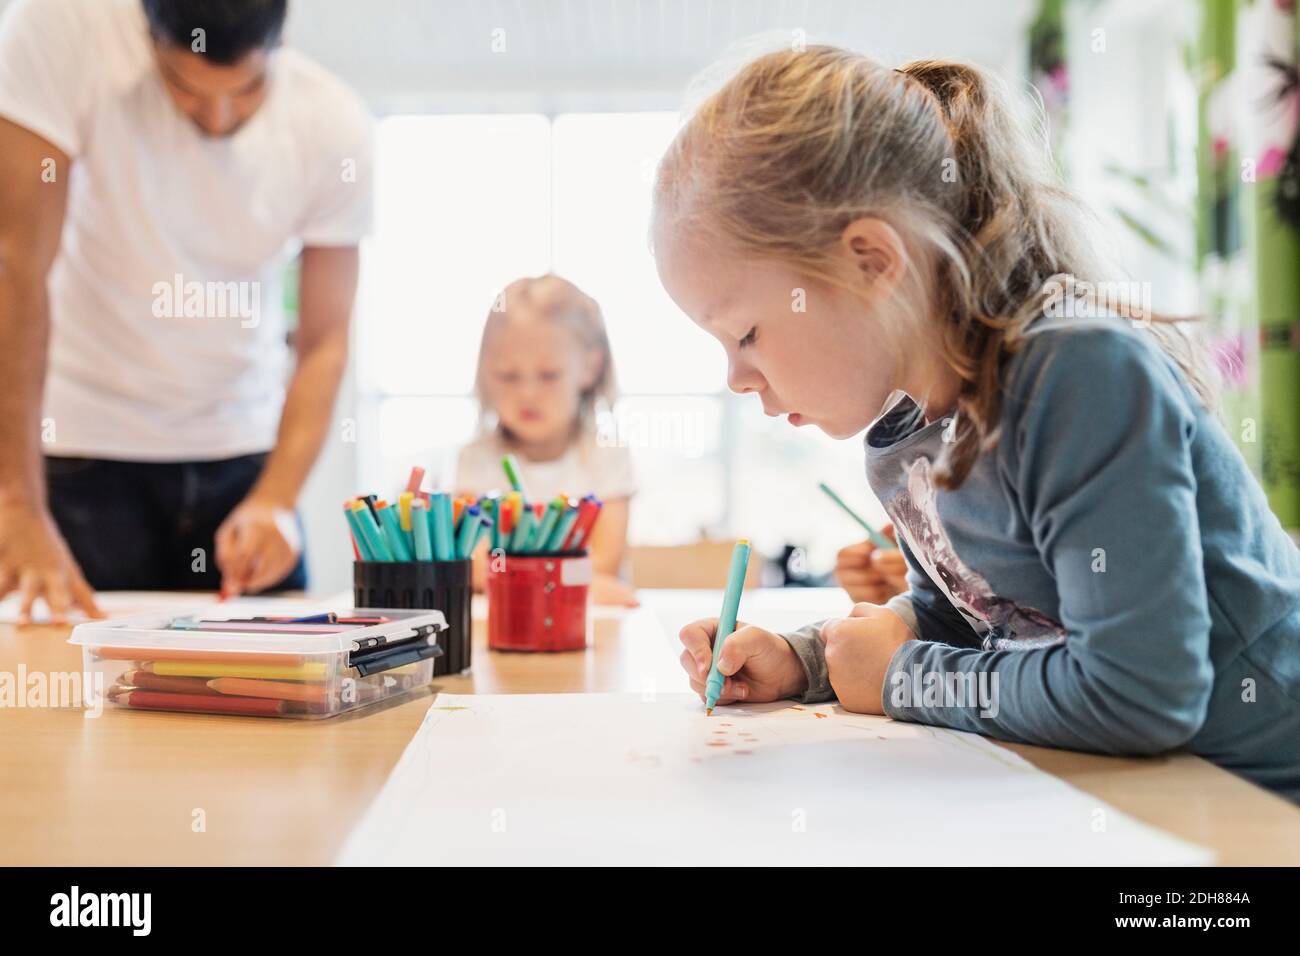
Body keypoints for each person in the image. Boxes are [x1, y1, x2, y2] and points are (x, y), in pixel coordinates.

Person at [655, 47, 1300, 799]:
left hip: (1256, 801)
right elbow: (982, 627)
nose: (736, 379)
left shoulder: (1079, 375)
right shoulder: (904, 440)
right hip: (1126, 792)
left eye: (747, 335)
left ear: (870, 261)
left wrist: (900, 678)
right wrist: (815, 661)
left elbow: (1141, 695)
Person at [0, 0, 372, 621]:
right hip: (79, 460)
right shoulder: (60, 30)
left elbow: (325, 339)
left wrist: (274, 499)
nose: (219, 117)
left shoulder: (335, 124)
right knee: (72, 694)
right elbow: (14, 269)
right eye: (186, 89)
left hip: (242, 468)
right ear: (146, 38)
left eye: (248, 91)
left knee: (279, 699)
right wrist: (16, 503)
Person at [454, 275, 638, 606]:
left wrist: (514, 579)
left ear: (590, 367)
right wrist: (567, 580)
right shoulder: (476, 458)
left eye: (549, 375)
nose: (527, 394)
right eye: (508, 375)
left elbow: (605, 566)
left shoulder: (607, 456)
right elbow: (475, 567)